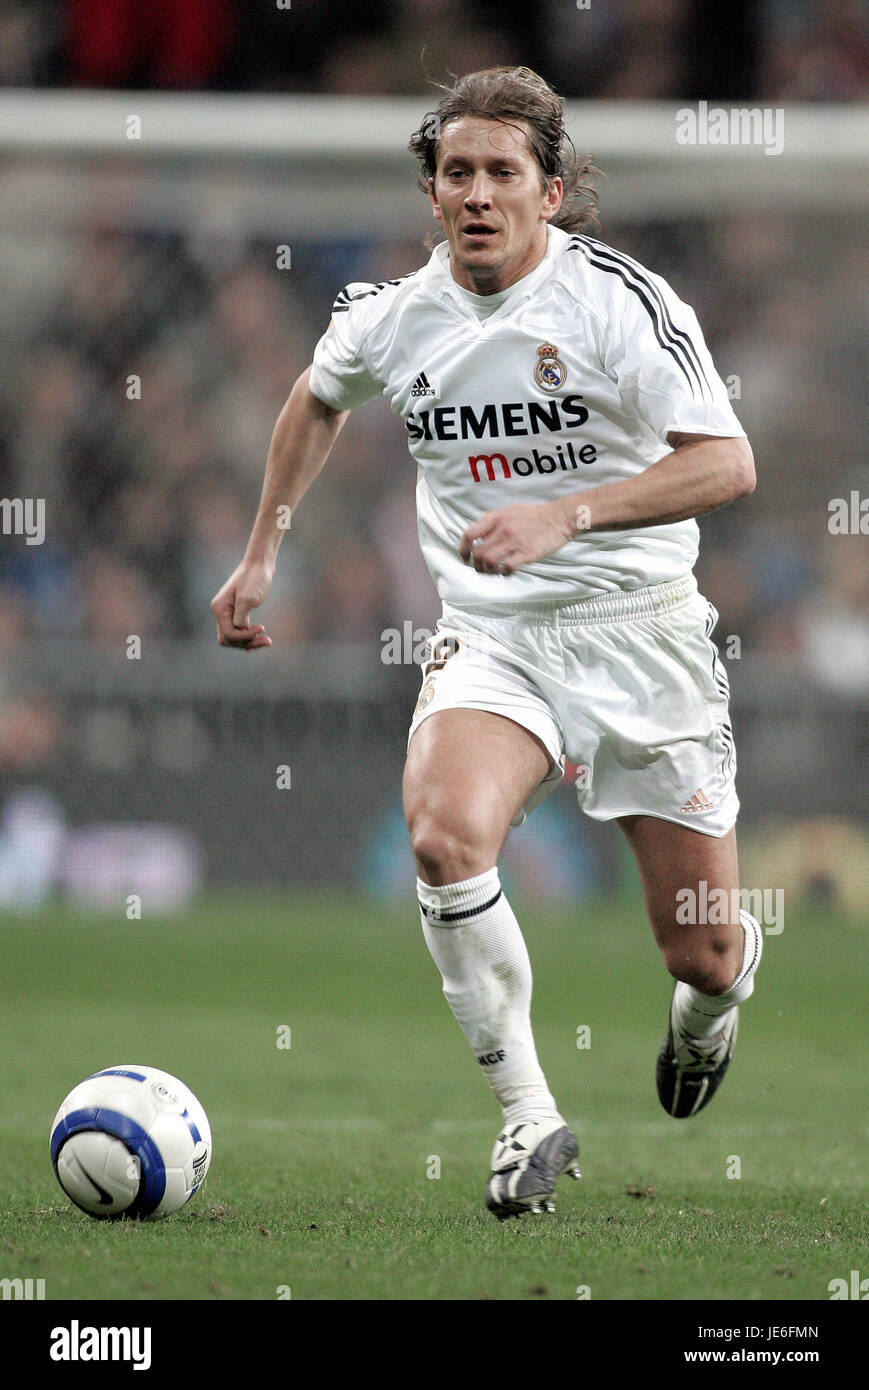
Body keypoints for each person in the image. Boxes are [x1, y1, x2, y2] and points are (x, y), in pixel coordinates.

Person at [211, 66, 763, 1221]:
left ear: (549, 192)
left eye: (501, 172)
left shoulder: (619, 303)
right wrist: (265, 548)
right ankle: (526, 1117)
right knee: (443, 834)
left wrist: (567, 513)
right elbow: (316, 398)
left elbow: (725, 462)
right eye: (455, 171)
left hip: (641, 636)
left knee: (696, 952)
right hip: (494, 635)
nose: (476, 192)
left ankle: (713, 1005)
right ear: (431, 192)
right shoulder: (391, 316)